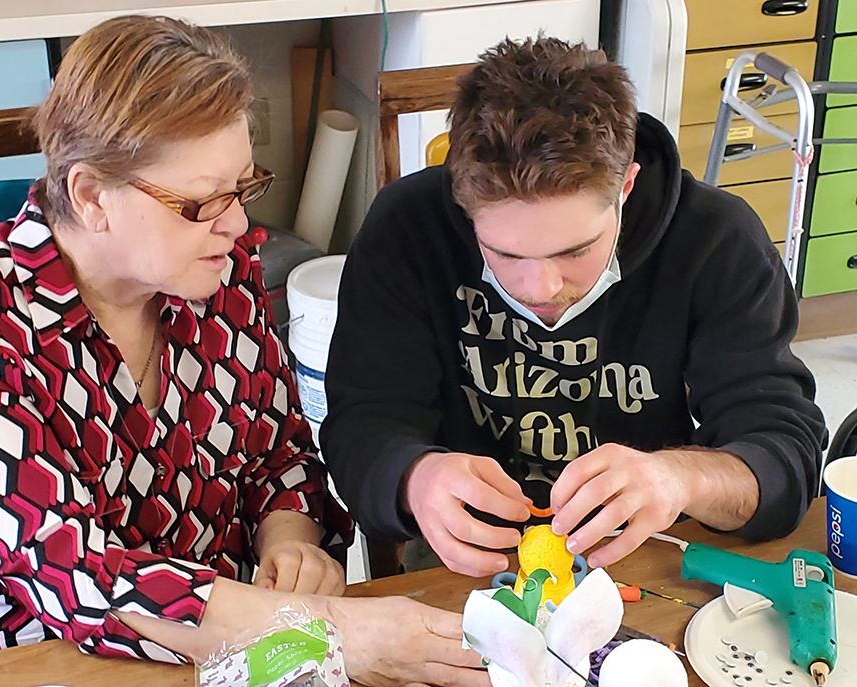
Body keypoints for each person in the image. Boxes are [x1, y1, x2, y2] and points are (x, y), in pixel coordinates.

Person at [0, 17, 487, 687]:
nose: (239, 224)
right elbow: (77, 577)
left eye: (243, 188)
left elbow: (277, 453)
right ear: (89, 194)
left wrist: (290, 536)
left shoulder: (219, 273)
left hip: (213, 662)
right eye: (201, 202)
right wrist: (329, 629)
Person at [321, 37, 827, 578]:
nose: (540, 287)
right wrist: (413, 478)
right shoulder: (407, 229)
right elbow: (359, 426)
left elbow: (787, 454)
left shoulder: (717, 242)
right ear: (464, 201)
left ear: (626, 186)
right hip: (468, 556)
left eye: (576, 250)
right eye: (504, 253)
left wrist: (679, 479)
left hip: (644, 547)